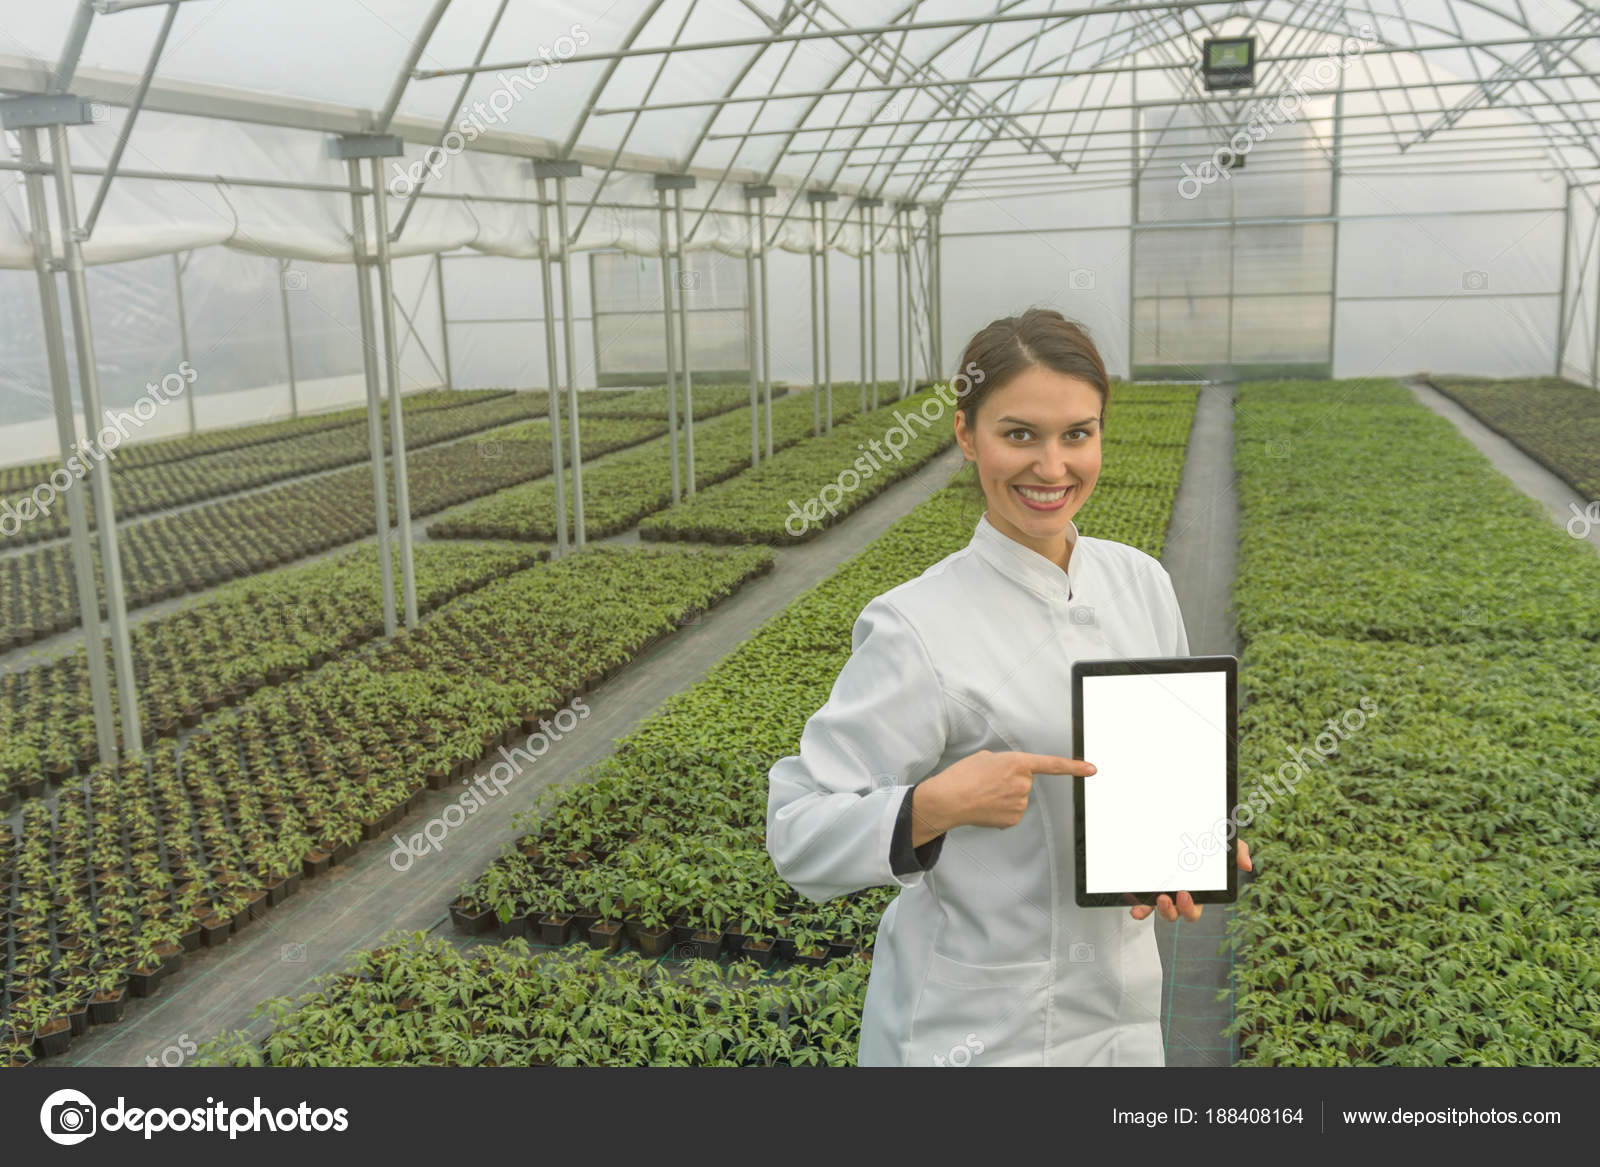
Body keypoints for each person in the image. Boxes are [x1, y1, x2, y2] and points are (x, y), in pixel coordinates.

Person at [765, 308, 1251, 1067]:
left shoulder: (1141, 583)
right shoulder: (916, 625)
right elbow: (797, 827)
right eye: (1019, 434)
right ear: (967, 434)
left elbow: (1158, 771)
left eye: (1077, 434)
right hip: (979, 1028)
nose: (1052, 467)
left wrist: (1186, 845)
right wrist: (934, 805)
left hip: (1121, 1008)